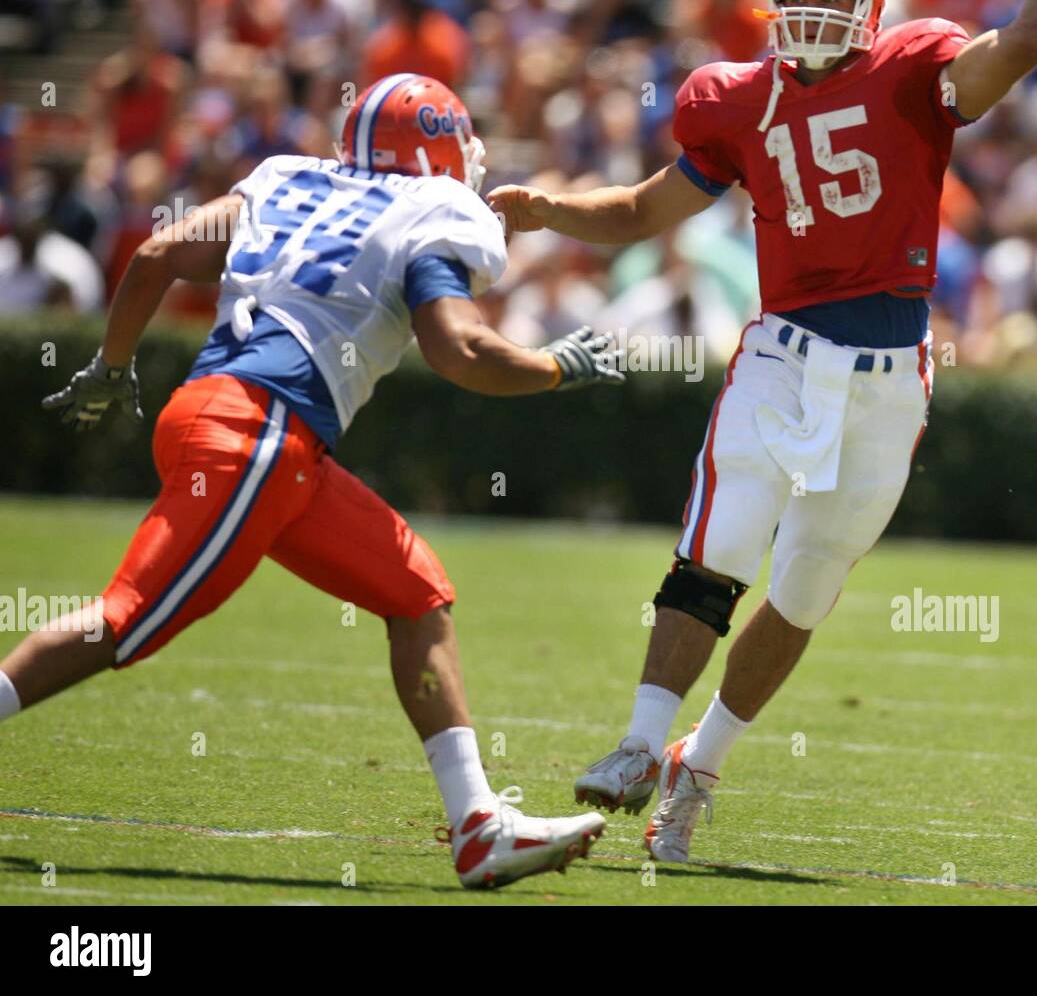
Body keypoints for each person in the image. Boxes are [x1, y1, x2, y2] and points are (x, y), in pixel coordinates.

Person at [490, 0, 1037, 864]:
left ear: (869, 11)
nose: (814, 16)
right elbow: (644, 213)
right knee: (724, 539)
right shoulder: (735, 98)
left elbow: (1024, 44)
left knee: (808, 586)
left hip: (889, 372)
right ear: (773, 5)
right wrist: (549, 210)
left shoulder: (917, 69)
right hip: (783, 350)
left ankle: (698, 766)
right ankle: (637, 742)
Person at [0, 75, 624, 890]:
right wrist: (555, 367)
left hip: (244, 429)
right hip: (255, 437)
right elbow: (459, 351)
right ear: (437, 147)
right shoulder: (435, 214)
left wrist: (112, 367)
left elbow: (156, 255)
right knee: (124, 619)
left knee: (416, 593)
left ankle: (478, 825)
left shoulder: (284, 179)